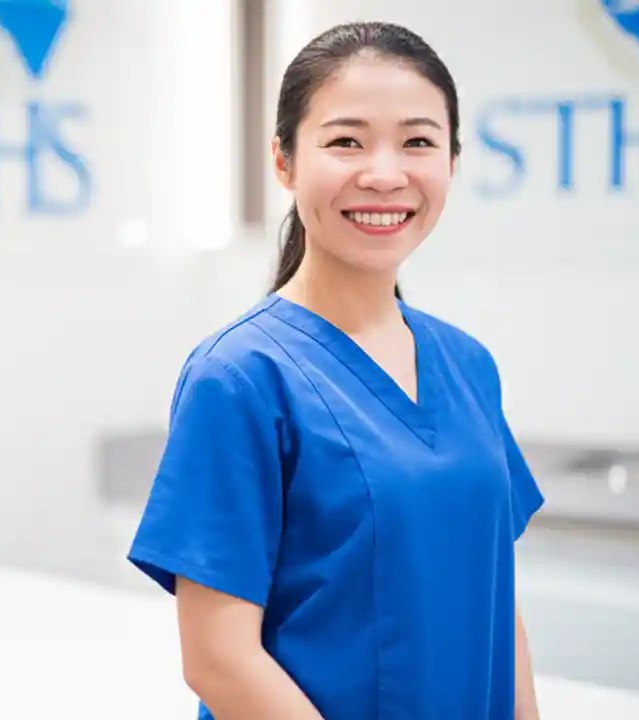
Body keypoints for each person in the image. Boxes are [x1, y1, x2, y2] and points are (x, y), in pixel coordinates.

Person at [126, 20, 546, 720]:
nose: (385, 174)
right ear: (285, 161)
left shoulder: (469, 365)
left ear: (452, 160)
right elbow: (218, 660)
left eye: (417, 141)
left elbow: (495, 596)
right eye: (346, 140)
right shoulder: (239, 378)